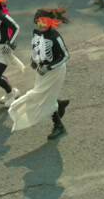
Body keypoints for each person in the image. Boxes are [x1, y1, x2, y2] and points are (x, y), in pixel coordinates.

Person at [8, 9, 71, 140]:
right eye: (38, 22)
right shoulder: (36, 32)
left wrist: (49, 67)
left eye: (44, 22)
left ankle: (59, 126)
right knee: (44, 95)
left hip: (55, 71)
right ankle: (58, 104)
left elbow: (66, 56)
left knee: (41, 96)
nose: (41, 25)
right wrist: (33, 60)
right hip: (41, 70)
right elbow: (35, 47)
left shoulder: (55, 36)